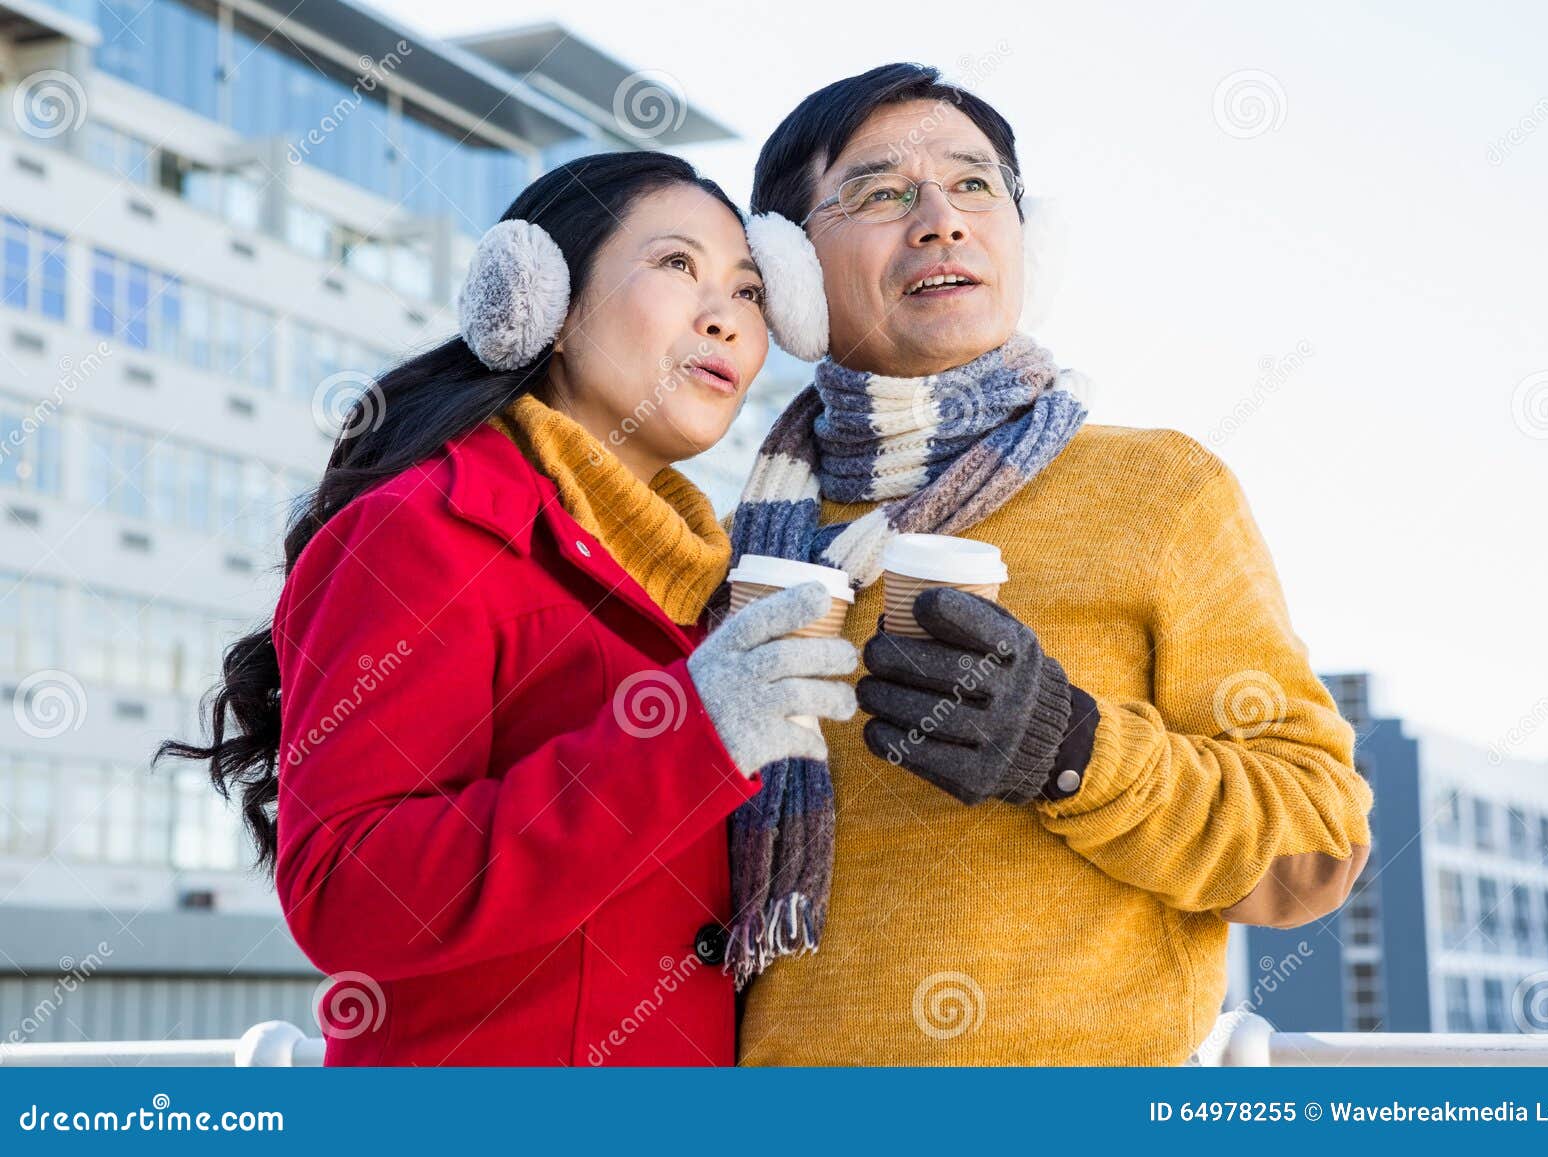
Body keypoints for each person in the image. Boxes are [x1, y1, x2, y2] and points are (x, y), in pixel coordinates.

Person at [723, 63, 1375, 1065]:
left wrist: (1069, 748)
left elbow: (1315, 847)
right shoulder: (741, 540)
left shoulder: (1158, 487)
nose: (940, 218)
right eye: (880, 191)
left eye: (974, 184)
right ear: (789, 274)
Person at [156, 151, 858, 1066]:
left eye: (752, 289)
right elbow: (348, 891)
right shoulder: (424, 531)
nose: (725, 313)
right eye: (677, 264)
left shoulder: (712, 595)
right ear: (547, 304)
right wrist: (686, 737)